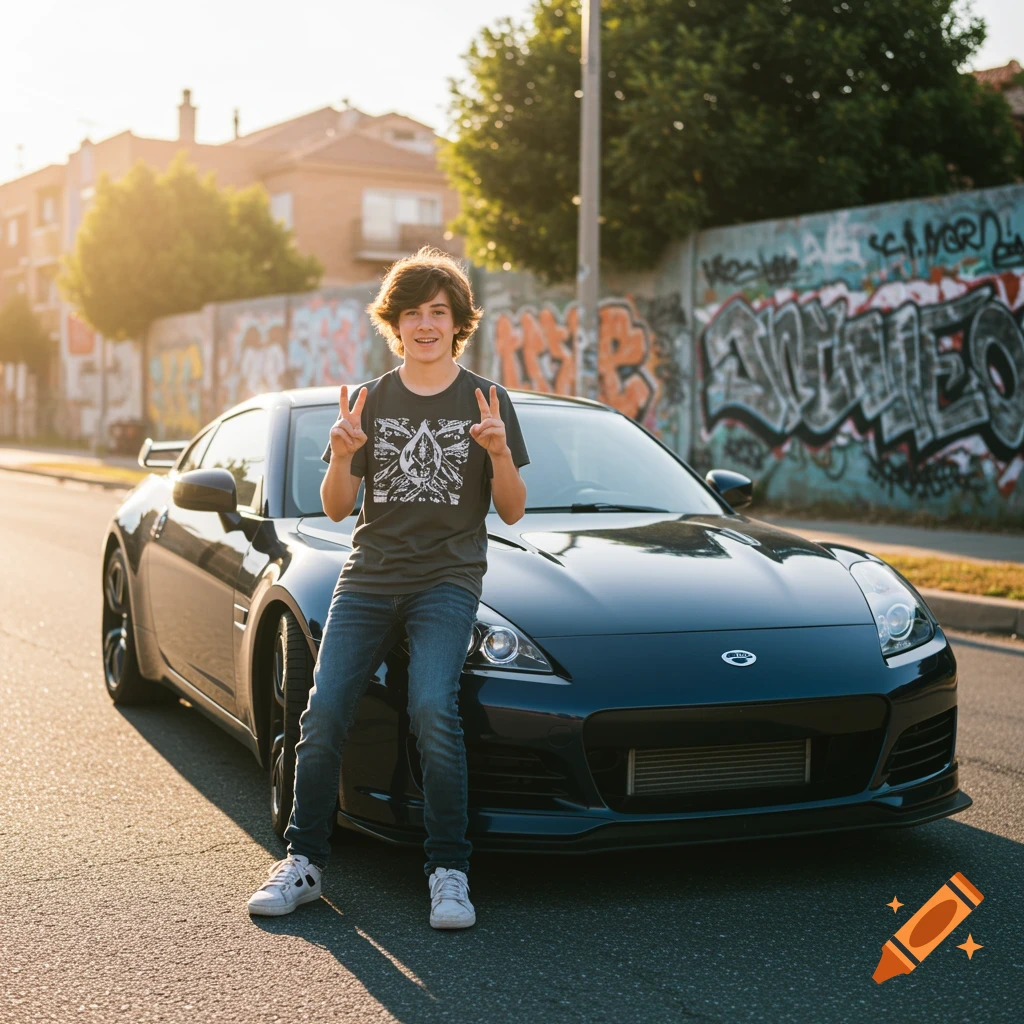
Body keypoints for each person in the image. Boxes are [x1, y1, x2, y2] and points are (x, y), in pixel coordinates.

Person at [247, 248, 530, 929]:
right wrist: (343, 456)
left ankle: (448, 870)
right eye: (413, 313)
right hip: (370, 576)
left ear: (458, 323)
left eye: (439, 312)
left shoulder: (486, 399)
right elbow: (337, 507)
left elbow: (514, 511)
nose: (426, 324)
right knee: (324, 714)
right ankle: (305, 861)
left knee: (433, 709)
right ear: (394, 324)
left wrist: (495, 453)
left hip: (447, 579)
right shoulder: (371, 399)